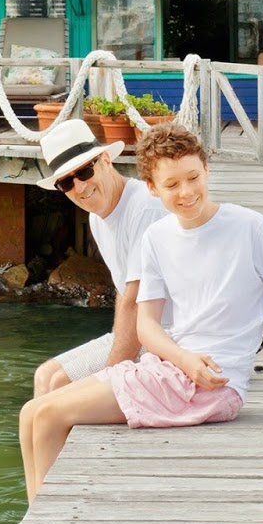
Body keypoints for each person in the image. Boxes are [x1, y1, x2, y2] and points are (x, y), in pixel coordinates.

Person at [0, 121, 263, 524]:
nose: (186, 192)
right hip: (172, 369)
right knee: (35, 412)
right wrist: (181, 359)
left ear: (207, 170)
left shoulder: (251, 227)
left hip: (214, 385)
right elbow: (147, 327)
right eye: (172, 184)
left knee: (42, 414)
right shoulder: (156, 238)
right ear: (153, 189)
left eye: (193, 178)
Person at [31, 119, 168, 396]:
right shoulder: (97, 218)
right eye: (66, 183)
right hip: (140, 330)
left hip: (168, 335)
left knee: (61, 385)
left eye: (83, 172)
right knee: (44, 375)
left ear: (105, 159)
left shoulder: (145, 208)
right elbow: (123, 291)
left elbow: (135, 299)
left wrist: (112, 376)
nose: (79, 188)